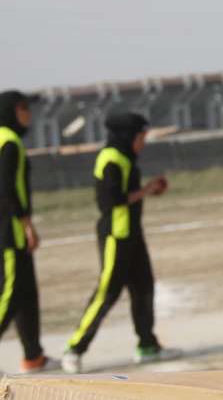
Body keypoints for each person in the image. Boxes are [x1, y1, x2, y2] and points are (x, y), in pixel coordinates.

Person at [62, 110, 179, 373]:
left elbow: (129, 195)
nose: (143, 142)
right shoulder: (110, 158)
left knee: (143, 288)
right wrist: (147, 190)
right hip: (116, 236)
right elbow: (111, 200)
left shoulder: (126, 157)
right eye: (141, 137)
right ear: (128, 136)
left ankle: (147, 345)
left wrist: (147, 191)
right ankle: (74, 348)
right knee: (107, 292)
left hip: (132, 235)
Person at [0, 90, 57, 373]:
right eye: (23, 108)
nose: (28, 113)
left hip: (10, 226)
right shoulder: (9, 143)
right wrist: (27, 225)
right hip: (9, 229)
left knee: (25, 294)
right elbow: (7, 189)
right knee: (10, 294)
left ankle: (33, 356)